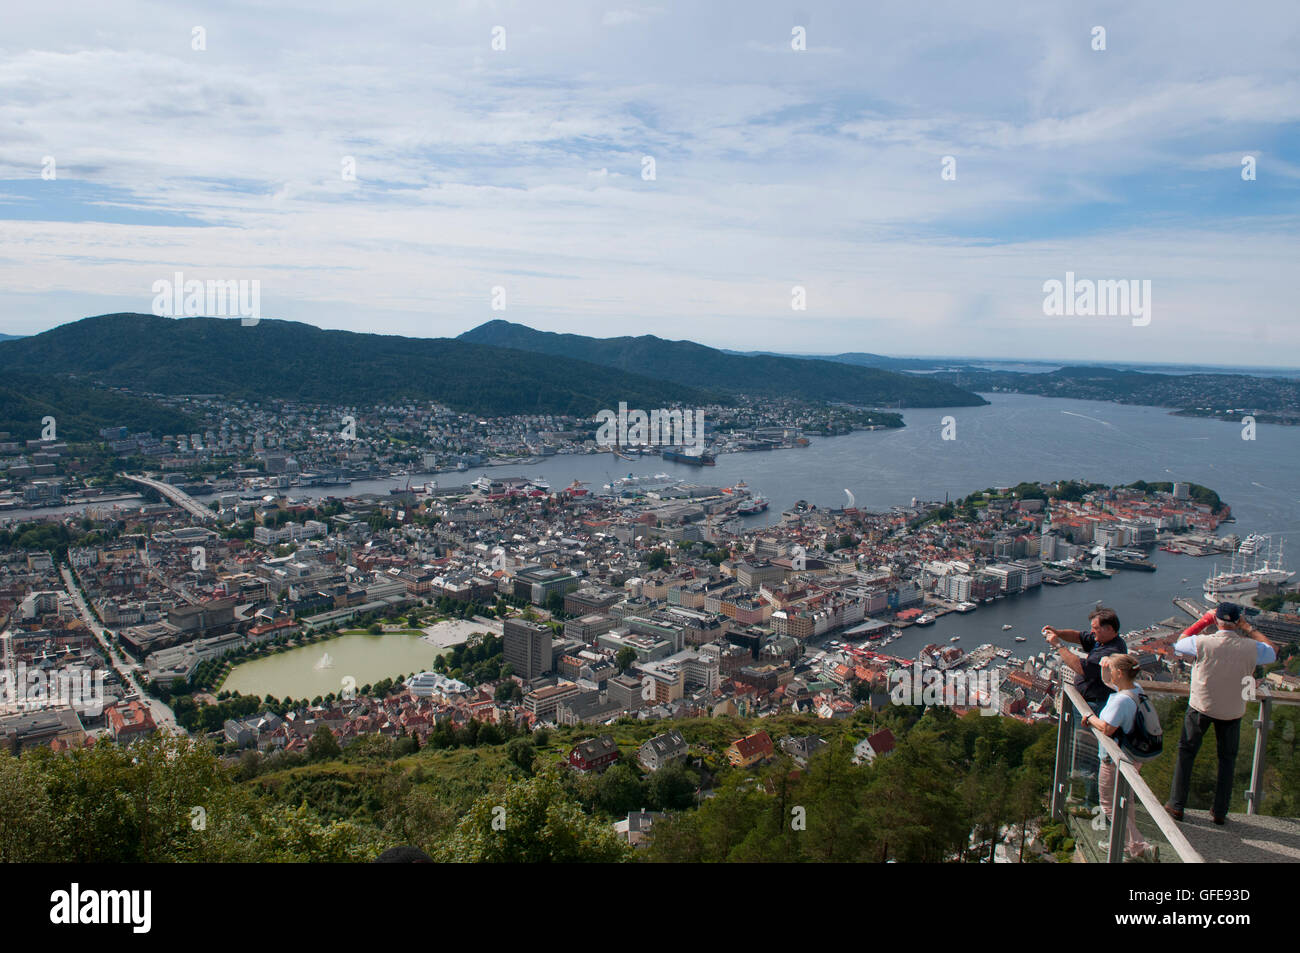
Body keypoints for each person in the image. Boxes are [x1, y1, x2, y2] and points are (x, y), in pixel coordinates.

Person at [1165, 602, 1277, 824]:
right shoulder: (1251, 647)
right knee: (1227, 760)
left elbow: (1180, 643)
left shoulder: (1202, 642)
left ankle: (1177, 805)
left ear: (1216, 620)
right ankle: (1219, 811)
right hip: (1233, 710)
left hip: (1201, 705)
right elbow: (1273, 651)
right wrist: (1248, 628)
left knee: (1186, 754)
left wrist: (1204, 621)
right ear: (1237, 621)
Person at [1081, 653, 1157, 862]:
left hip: (1114, 759)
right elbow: (1108, 681)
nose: (1111, 673)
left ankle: (1138, 846)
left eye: (1113, 670)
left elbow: (1107, 728)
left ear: (1120, 673)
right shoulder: (1135, 690)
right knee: (1126, 801)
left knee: (1108, 803)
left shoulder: (1121, 701)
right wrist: (1106, 666)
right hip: (1134, 756)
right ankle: (1125, 844)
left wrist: (1090, 718)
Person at [1044, 606, 1128, 713]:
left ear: (1109, 629)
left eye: (1095, 628)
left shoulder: (1111, 651)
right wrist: (1058, 633)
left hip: (1095, 704)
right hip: (1089, 700)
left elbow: (1080, 667)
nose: (1092, 631)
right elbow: (1078, 636)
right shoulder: (1103, 640)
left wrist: (1058, 645)